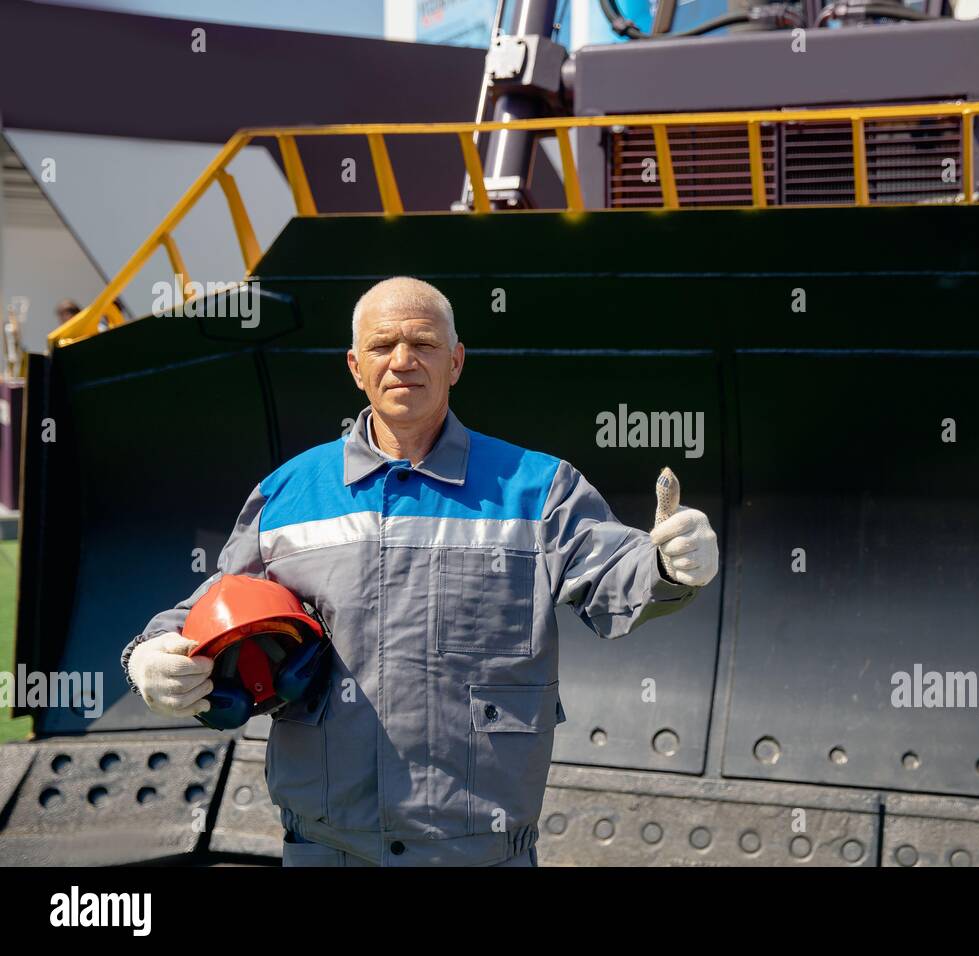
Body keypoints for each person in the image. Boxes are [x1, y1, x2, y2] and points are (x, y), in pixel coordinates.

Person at [120, 276, 719, 867]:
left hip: (482, 853)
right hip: (326, 849)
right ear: (356, 367)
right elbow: (220, 601)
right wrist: (148, 655)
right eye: (383, 346)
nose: (403, 360)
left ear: (455, 361)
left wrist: (667, 564)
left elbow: (617, 574)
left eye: (425, 344)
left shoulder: (538, 489)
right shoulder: (288, 494)